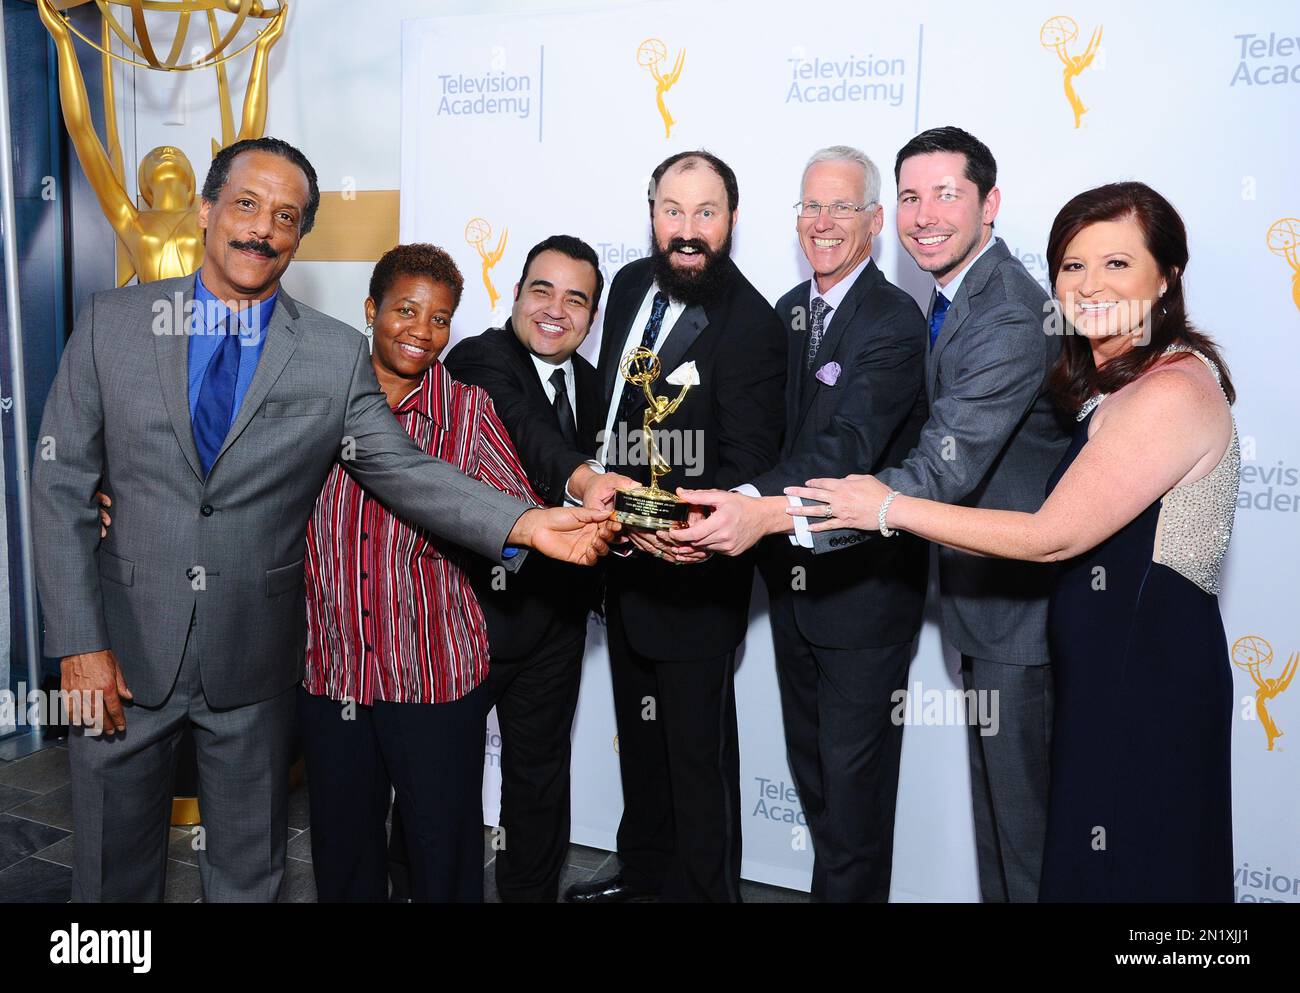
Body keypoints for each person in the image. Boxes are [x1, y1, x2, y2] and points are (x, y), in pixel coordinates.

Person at [30, 136, 617, 903]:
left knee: (248, 874)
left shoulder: (332, 355)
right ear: (207, 211)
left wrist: (527, 522)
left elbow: (404, 469)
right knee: (110, 877)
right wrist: (79, 644)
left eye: (286, 216)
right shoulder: (112, 322)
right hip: (117, 654)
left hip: (254, 666)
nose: (262, 229)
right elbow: (60, 483)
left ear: (300, 236)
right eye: (246, 204)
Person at [787, 181, 1238, 903]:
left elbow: (1051, 536)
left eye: (1117, 264)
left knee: (1136, 867)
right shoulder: (1119, 379)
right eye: (1072, 265)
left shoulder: (1171, 393)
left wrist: (890, 507)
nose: (1089, 285)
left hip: (1147, 677)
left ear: (1168, 275)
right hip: (1101, 666)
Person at [699, 127, 1069, 902]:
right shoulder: (830, 308)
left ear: (989, 203)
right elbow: (774, 437)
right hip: (828, 589)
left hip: (920, 601)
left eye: (946, 194)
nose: (925, 213)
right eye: (912, 195)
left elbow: (909, 460)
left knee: (1003, 835)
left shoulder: (970, 316)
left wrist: (758, 511)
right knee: (836, 795)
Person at [666, 146, 929, 901]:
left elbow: (840, 452)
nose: (823, 222)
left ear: (875, 221)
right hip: (794, 588)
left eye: (842, 207)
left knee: (852, 806)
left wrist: (745, 505)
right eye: (811, 206)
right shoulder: (787, 309)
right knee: (817, 788)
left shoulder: (893, 321)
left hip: (864, 600)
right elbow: (761, 433)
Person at [564, 151, 786, 903]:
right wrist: (612, 517)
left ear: (731, 219)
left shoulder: (752, 324)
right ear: (651, 212)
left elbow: (748, 465)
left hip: (695, 581)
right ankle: (645, 882)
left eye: (706, 213)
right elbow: (612, 423)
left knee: (698, 768)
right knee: (646, 755)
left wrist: (648, 517)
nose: (687, 231)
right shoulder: (627, 285)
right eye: (672, 211)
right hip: (622, 565)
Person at [296, 243, 542, 903]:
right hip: (333, 669)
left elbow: (517, 523)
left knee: (444, 853)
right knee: (344, 854)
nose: (421, 331)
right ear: (372, 309)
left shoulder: (467, 413)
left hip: (433, 672)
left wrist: (587, 530)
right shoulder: (314, 398)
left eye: (439, 319)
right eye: (405, 310)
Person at [443, 235, 636, 901]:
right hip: (471, 612)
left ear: (592, 316)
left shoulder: (592, 384)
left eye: (575, 298)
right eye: (542, 290)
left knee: (541, 772)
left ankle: (529, 892)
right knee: (443, 773)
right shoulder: (480, 359)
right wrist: (586, 479)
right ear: (517, 293)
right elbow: (528, 430)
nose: (556, 309)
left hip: (557, 615)